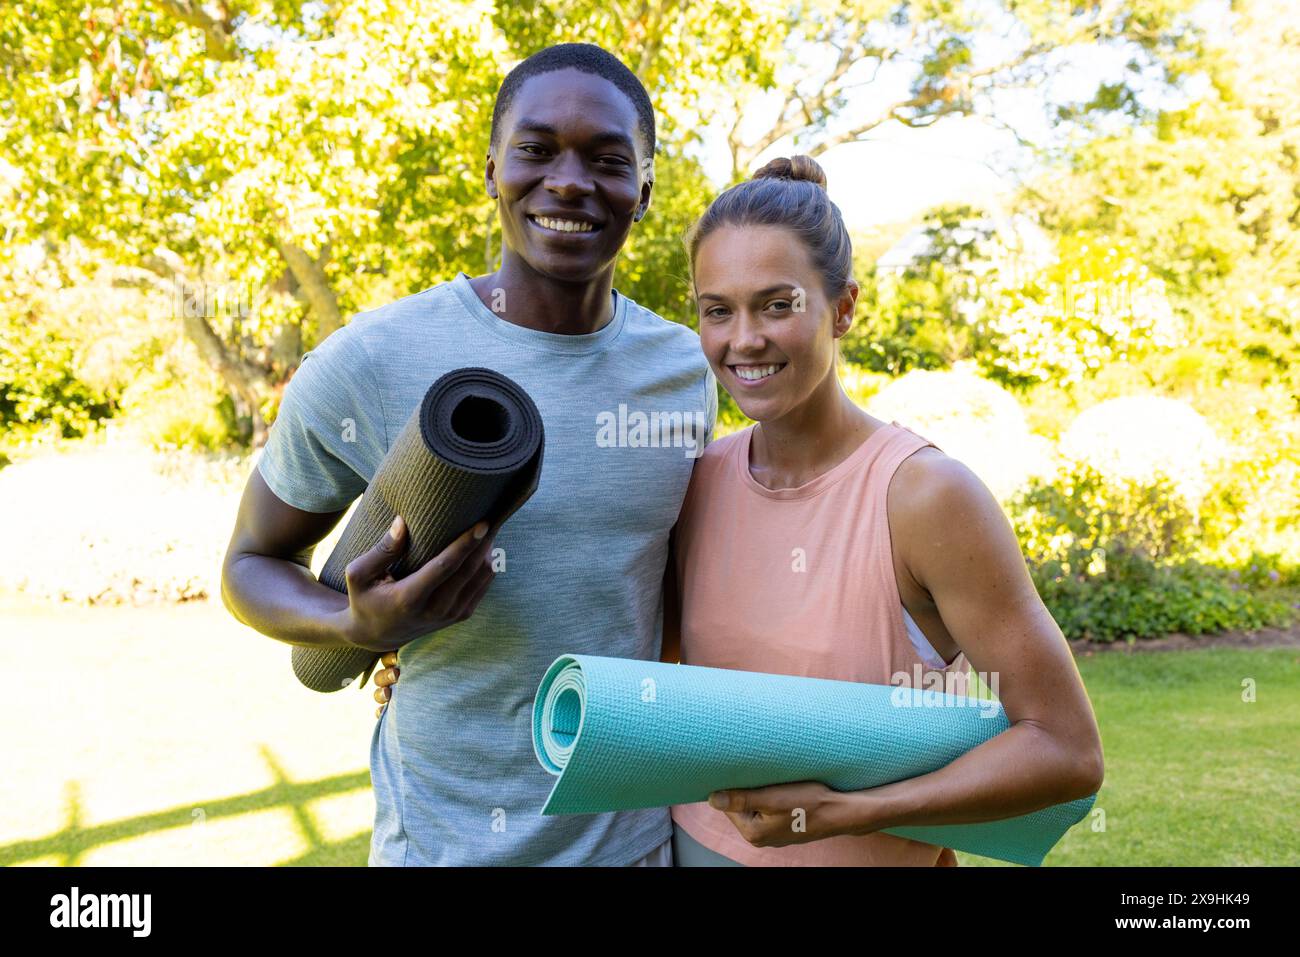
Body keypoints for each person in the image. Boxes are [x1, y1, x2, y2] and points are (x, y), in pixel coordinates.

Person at [379, 157, 1105, 868]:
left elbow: (1064, 748)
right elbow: (634, 652)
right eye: (717, 310)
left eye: (777, 304)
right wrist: (418, 646)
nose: (743, 338)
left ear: (843, 307)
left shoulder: (924, 496)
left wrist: (855, 810)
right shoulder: (700, 482)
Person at [222, 43, 717, 866]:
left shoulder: (683, 372)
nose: (568, 180)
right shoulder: (372, 357)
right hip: (442, 846)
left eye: (607, 159)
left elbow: (675, 594)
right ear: (492, 169)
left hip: (631, 842)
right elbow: (248, 562)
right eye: (535, 149)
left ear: (645, 191)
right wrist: (351, 621)